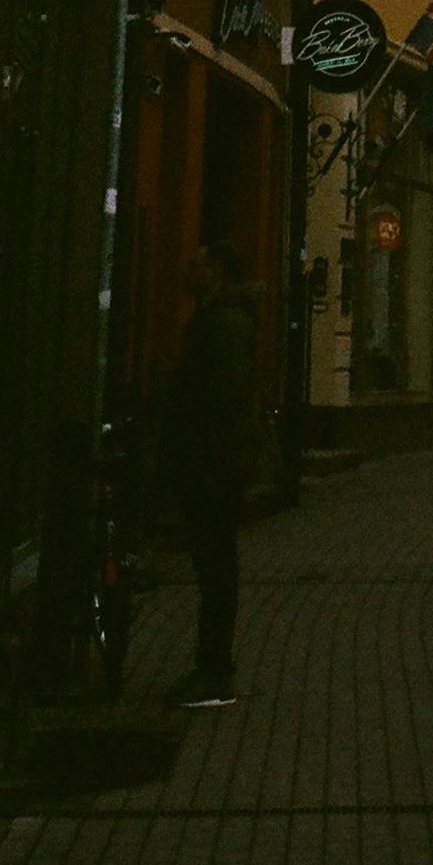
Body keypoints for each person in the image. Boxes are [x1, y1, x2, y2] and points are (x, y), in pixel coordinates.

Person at [166, 242, 261, 708]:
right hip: (216, 463)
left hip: (215, 466)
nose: (189, 269)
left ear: (217, 272)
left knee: (217, 567)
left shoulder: (223, 325)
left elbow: (218, 400)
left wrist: (206, 462)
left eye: (199, 262)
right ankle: (211, 667)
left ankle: (213, 670)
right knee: (215, 566)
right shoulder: (222, 319)